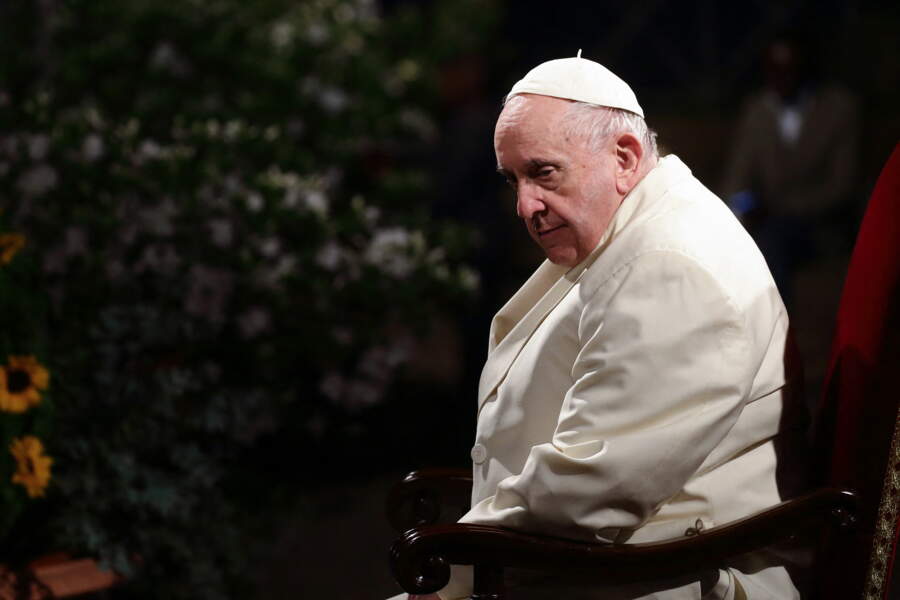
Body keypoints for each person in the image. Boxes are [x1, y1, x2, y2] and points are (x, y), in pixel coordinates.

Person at [393, 53, 806, 600]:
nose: (525, 205)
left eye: (543, 172)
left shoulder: (673, 263)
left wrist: (453, 572)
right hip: (591, 562)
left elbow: (591, 486)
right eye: (513, 179)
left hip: (653, 578)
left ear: (625, 156)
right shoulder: (635, 226)